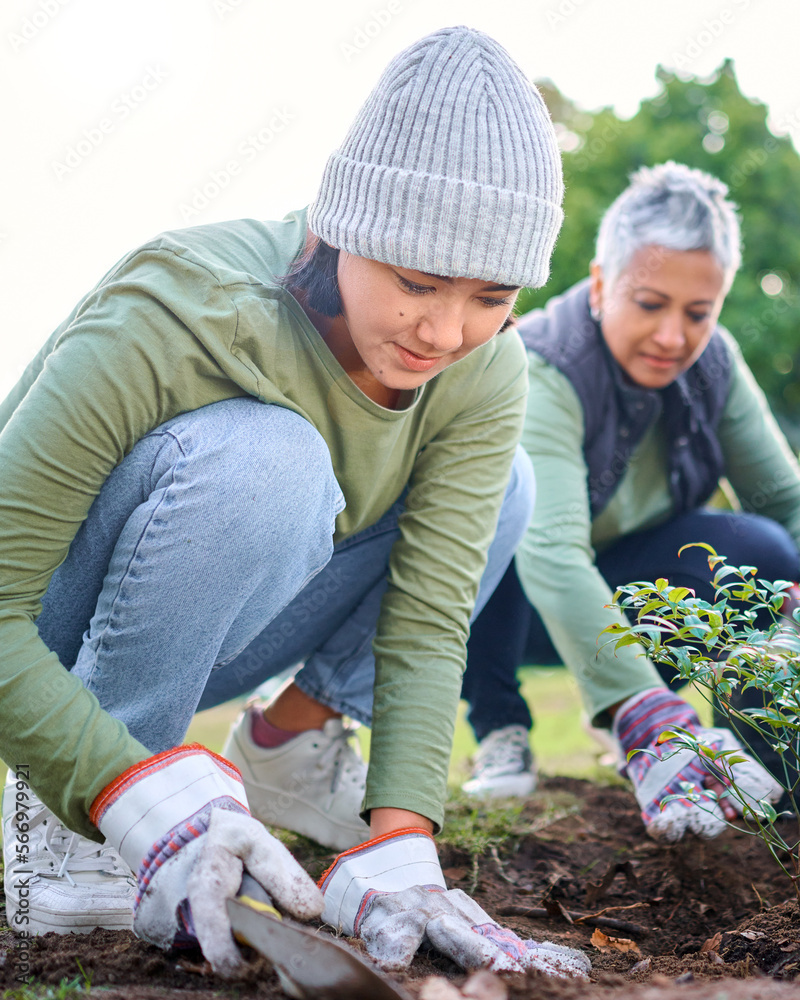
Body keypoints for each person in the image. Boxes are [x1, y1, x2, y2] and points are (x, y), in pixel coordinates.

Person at [0, 27, 592, 980]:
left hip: (230, 621)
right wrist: (119, 784)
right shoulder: (181, 306)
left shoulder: (484, 364)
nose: (446, 331)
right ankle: (78, 796)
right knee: (274, 456)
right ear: (338, 230)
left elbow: (431, 617)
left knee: (508, 485)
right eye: (415, 283)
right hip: (54, 632)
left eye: (492, 295)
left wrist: (401, 843)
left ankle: (293, 747)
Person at [460, 162, 796, 841]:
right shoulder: (544, 367)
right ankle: (503, 727)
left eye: (698, 313)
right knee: (505, 512)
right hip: (515, 597)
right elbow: (552, 553)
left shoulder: (715, 365)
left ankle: (763, 772)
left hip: (628, 585)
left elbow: (784, 499)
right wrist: (645, 709)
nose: (674, 336)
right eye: (650, 305)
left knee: (764, 551)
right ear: (601, 283)